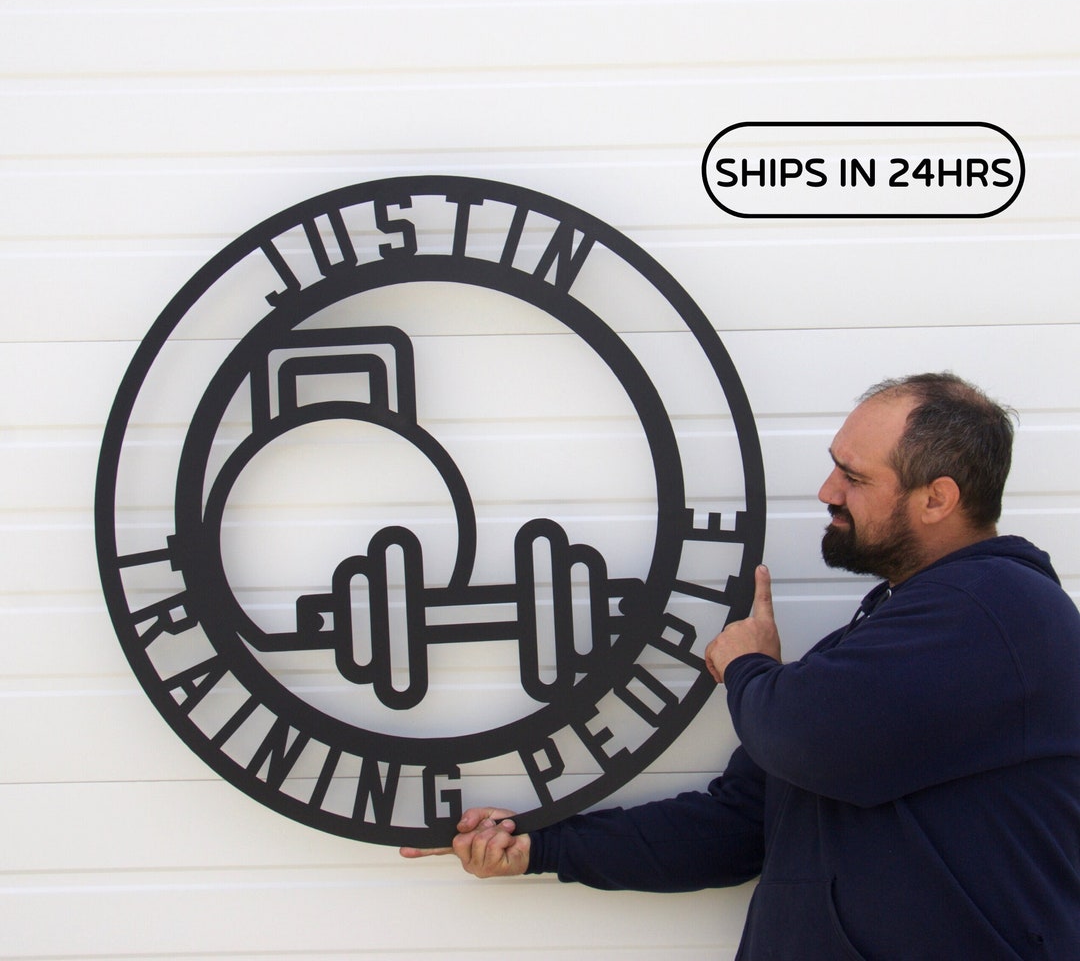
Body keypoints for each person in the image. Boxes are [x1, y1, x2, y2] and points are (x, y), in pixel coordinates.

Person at [401, 373, 1080, 960]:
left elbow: (804, 736)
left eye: (854, 476)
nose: (826, 490)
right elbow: (736, 829)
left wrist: (749, 669)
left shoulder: (997, 611)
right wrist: (542, 845)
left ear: (938, 499)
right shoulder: (902, 633)